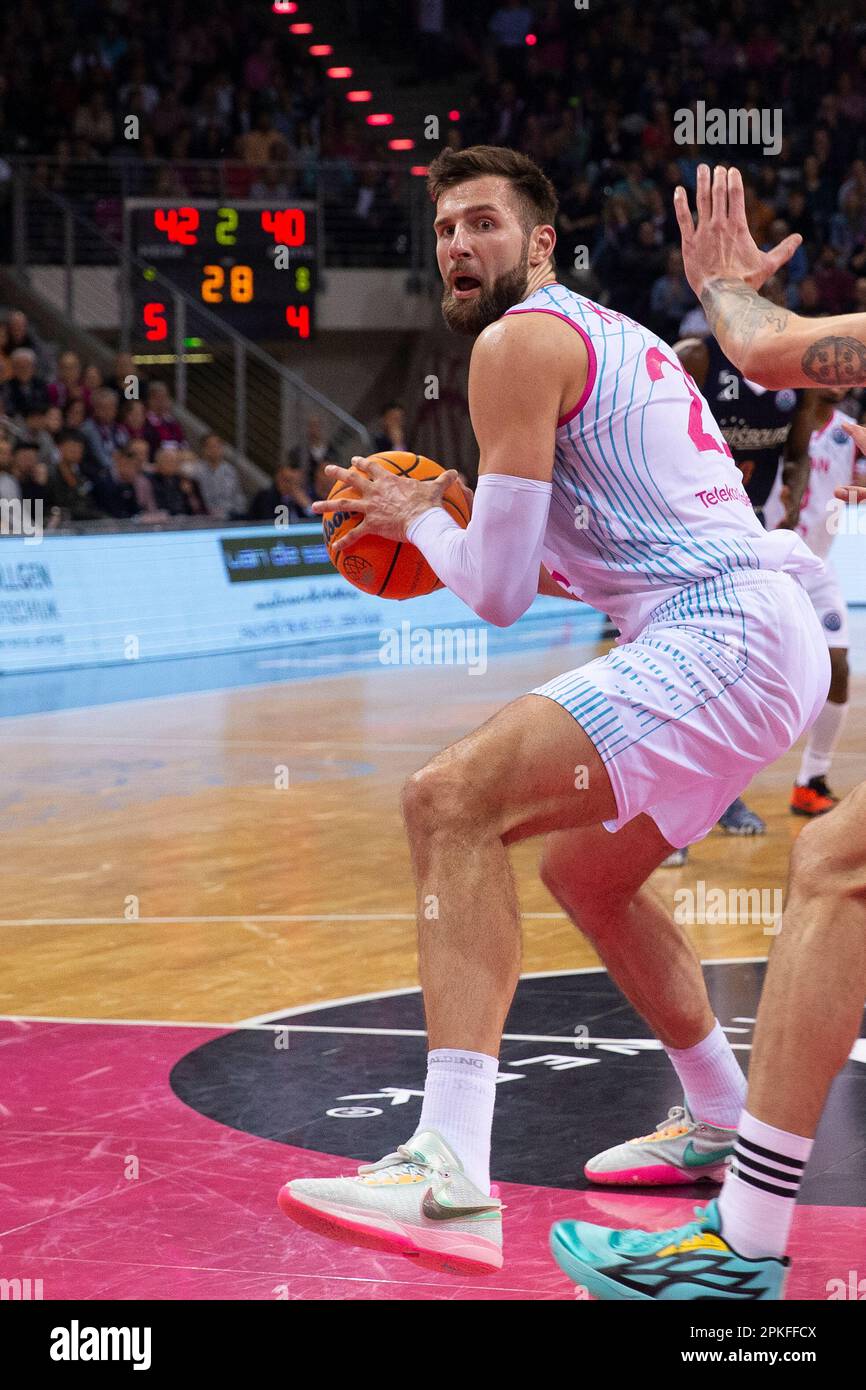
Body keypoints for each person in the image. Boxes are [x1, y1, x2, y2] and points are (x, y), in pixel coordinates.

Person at [280, 145, 830, 1270]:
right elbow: (530, 564)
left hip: (719, 630)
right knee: (587, 872)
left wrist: (413, 512)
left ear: (538, 243)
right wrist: (444, 520)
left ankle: (446, 1163)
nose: (457, 247)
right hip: (758, 639)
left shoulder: (516, 343)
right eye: (442, 231)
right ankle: (718, 1110)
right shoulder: (600, 336)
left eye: (481, 224)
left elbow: (485, 595)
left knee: (447, 801)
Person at [549, 163, 866, 1301]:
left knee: (838, 865)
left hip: (757, 598)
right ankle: (739, 1216)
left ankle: (742, 1242)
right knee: (834, 862)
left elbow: (768, 351)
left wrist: (725, 287)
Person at [763, 389, 861, 814]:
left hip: (816, 567)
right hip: (766, 566)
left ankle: (811, 779)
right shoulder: (777, 421)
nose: (837, 374)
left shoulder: (847, 431)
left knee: (838, 664)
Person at [191, 432, 246, 520]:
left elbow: (238, 496)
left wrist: (239, 514)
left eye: (218, 446)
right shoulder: (195, 471)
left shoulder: (230, 470)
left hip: (230, 516)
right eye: (211, 447)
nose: (215, 450)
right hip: (205, 518)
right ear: (204, 449)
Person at [247, 463, 313, 523]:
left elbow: (316, 521)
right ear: (278, 478)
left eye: (295, 482)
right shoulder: (265, 498)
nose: (290, 486)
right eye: (287, 480)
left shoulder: (307, 496)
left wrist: (307, 506)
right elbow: (268, 521)